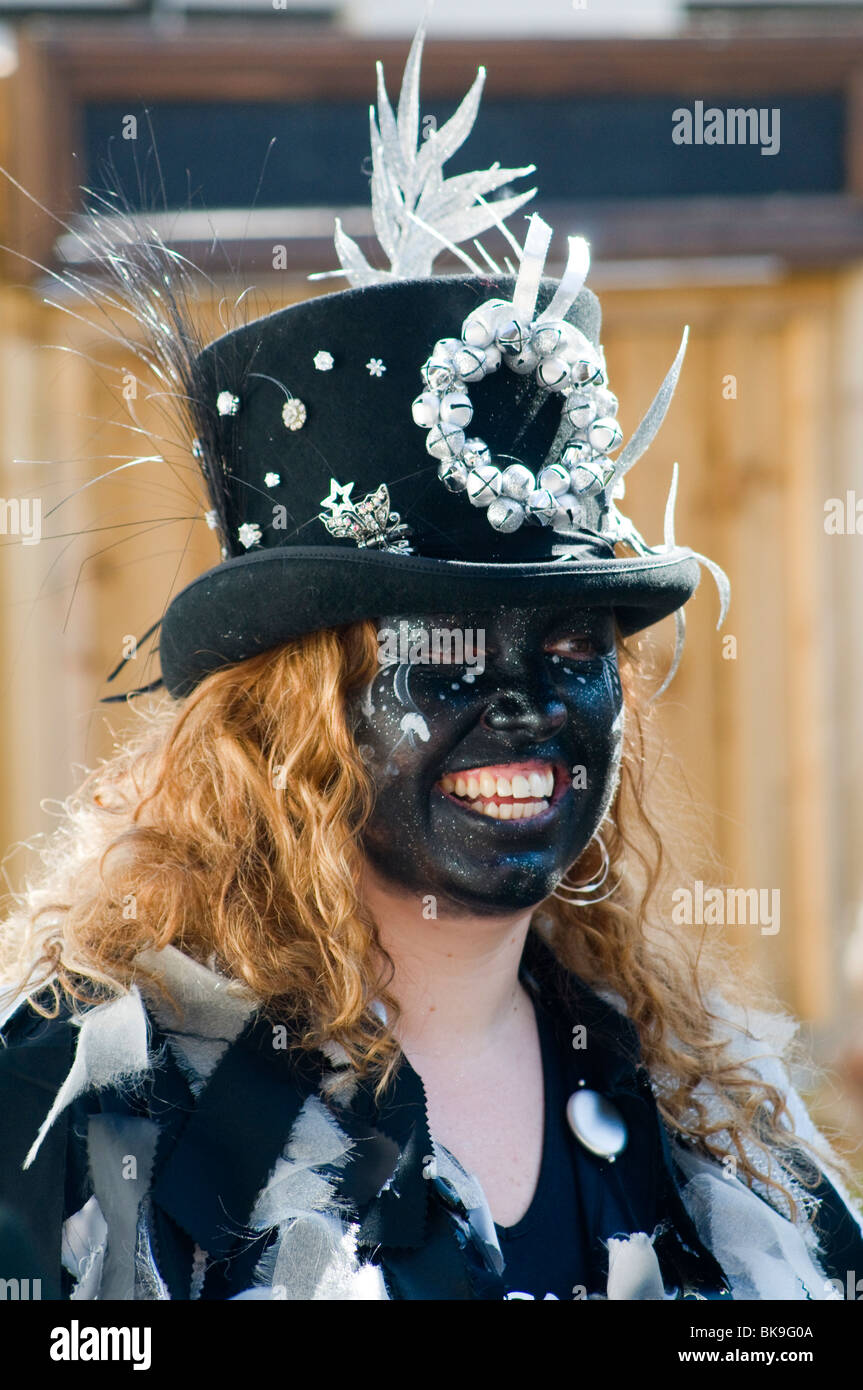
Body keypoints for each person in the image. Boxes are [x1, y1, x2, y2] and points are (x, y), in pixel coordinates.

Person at [1, 19, 861, 1302]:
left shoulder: (713, 1118)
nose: (526, 707)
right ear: (286, 718)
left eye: (572, 649)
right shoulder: (75, 1104)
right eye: (446, 657)